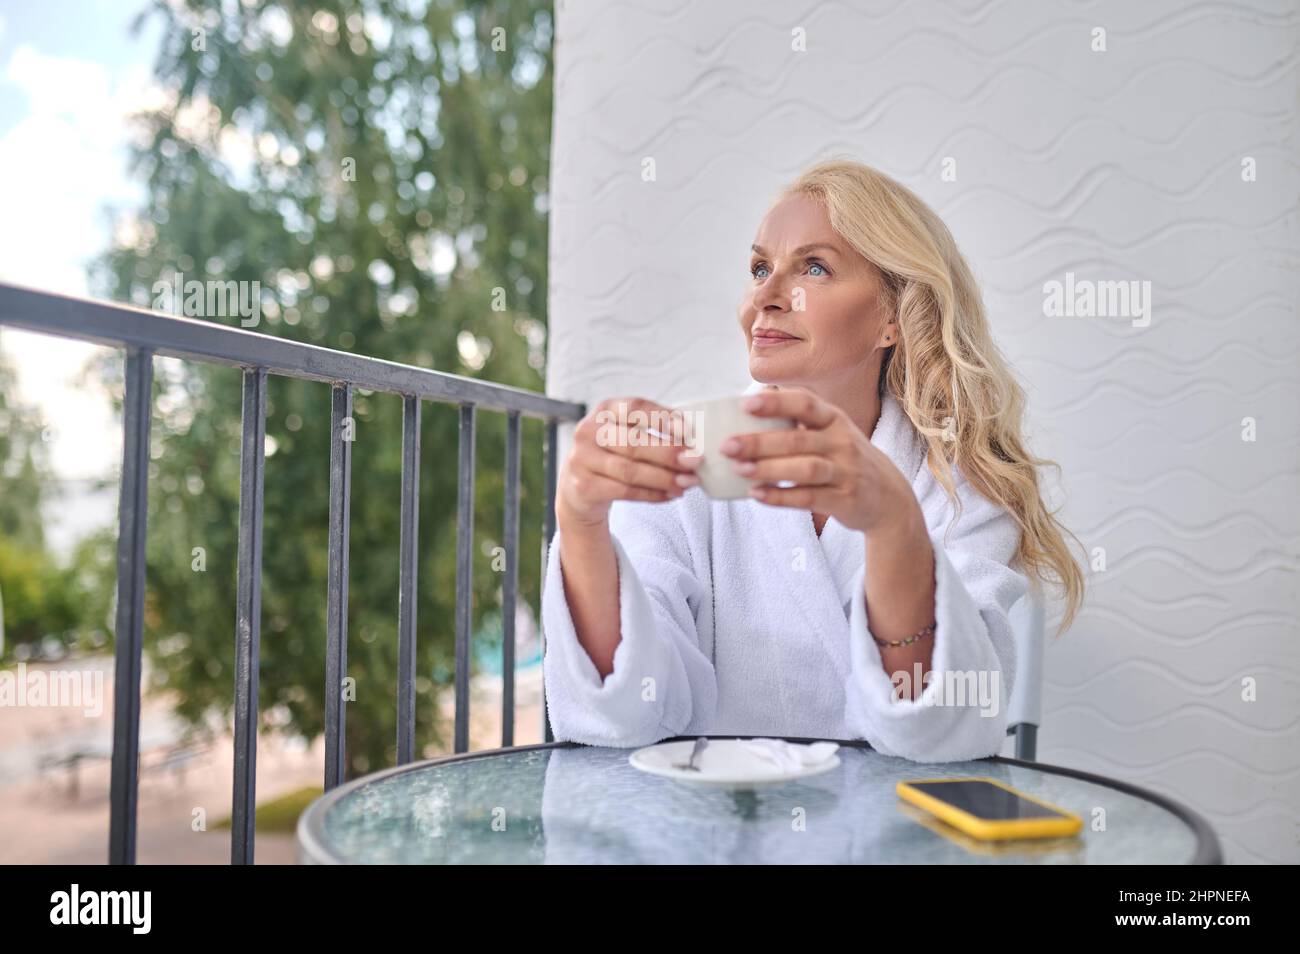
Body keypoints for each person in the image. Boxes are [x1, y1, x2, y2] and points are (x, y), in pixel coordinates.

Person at [540, 158, 1085, 761]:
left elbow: (946, 731)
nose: (766, 298)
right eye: (759, 268)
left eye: (814, 267)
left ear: (892, 318)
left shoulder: (959, 488)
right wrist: (582, 525)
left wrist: (896, 527)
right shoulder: (685, 458)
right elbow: (625, 716)